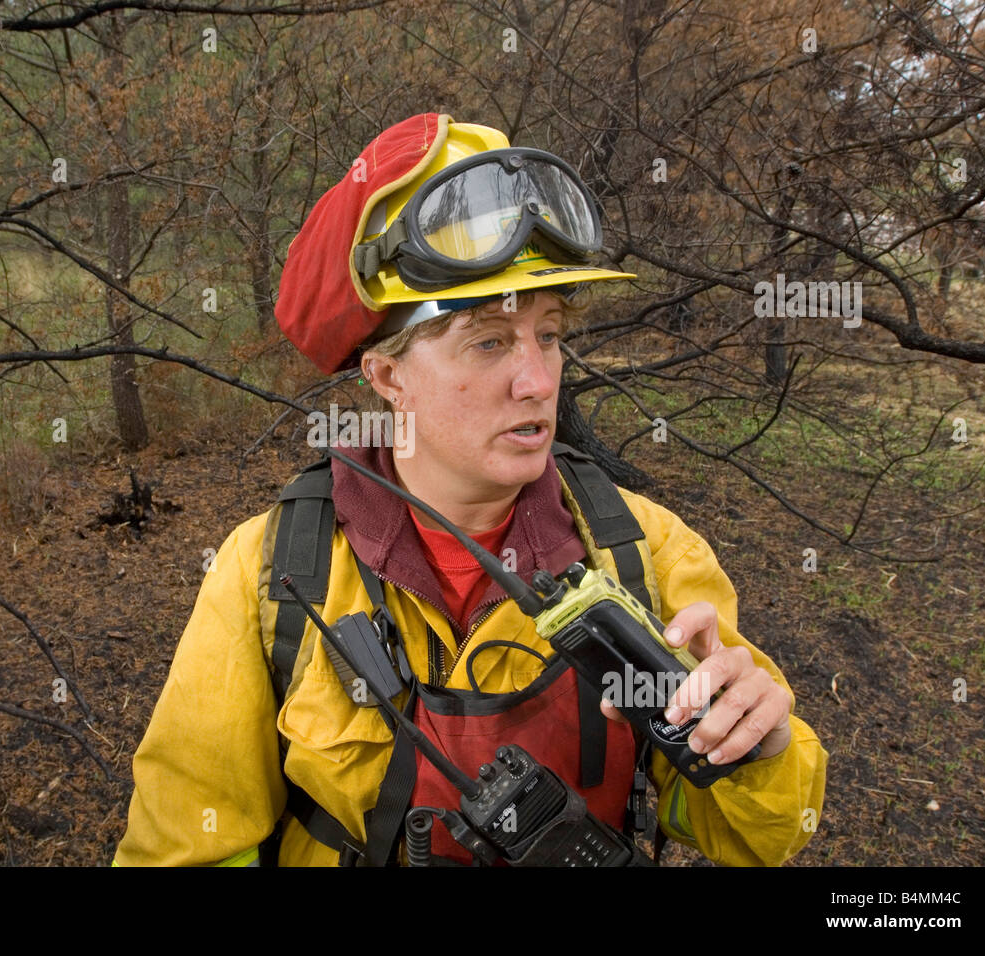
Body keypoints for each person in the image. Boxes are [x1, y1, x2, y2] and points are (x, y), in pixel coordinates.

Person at [113, 114, 828, 867]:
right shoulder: (275, 573)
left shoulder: (643, 553)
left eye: (548, 335)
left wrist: (760, 752)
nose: (538, 380)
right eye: (489, 341)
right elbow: (185, 843)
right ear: (388, 376)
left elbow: (763, 834)